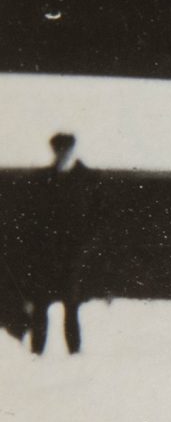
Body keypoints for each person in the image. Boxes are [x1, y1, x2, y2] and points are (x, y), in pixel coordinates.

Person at [16, 132, 98, 356]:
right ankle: (37, 353)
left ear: (71, 151)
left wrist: (83, 247)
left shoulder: (86, 180)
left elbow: (97, 217)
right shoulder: (43, 179)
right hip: (47, 253)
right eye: (59, 151)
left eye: (65, 151)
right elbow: (32, 216)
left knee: (71, 307)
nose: (62, 155)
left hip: (73, 255)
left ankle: (74, 352)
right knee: (41, 305)